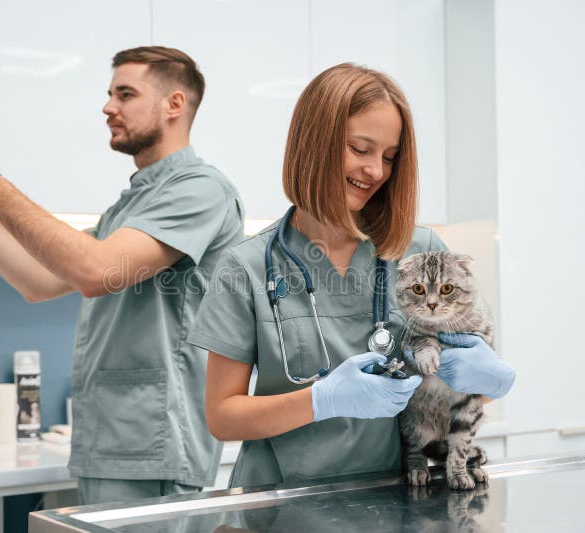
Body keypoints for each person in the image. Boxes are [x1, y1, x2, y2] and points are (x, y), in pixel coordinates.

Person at [0, 46, 244, 503]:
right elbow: (37, 280)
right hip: (113, 439)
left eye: (125, 94)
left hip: (156, 443)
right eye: (110, 94)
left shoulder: (200, 190)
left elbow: (97, 270)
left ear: (174, 105)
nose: (109, 107)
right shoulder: (130, 205)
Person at [187, 63, 515, 487]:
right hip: (281, 504)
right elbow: (222, 417)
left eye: (390, 157)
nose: (376, 171)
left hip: (395, 498)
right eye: (360, 149)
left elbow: (459, 392)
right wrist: (322, 399)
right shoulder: (246, 267)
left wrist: (490, 379)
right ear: (313, 144)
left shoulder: (424, 253)